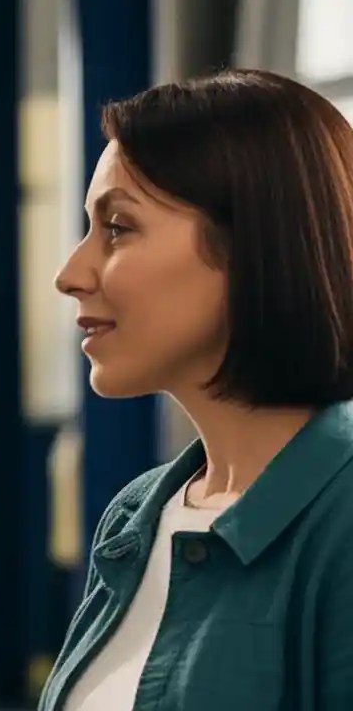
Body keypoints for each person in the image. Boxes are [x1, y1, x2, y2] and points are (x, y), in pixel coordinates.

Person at [40, 68, 353, 711]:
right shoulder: (138, 514)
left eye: (118, 228)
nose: (70, 273)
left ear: (255, 242)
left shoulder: (341, 518)